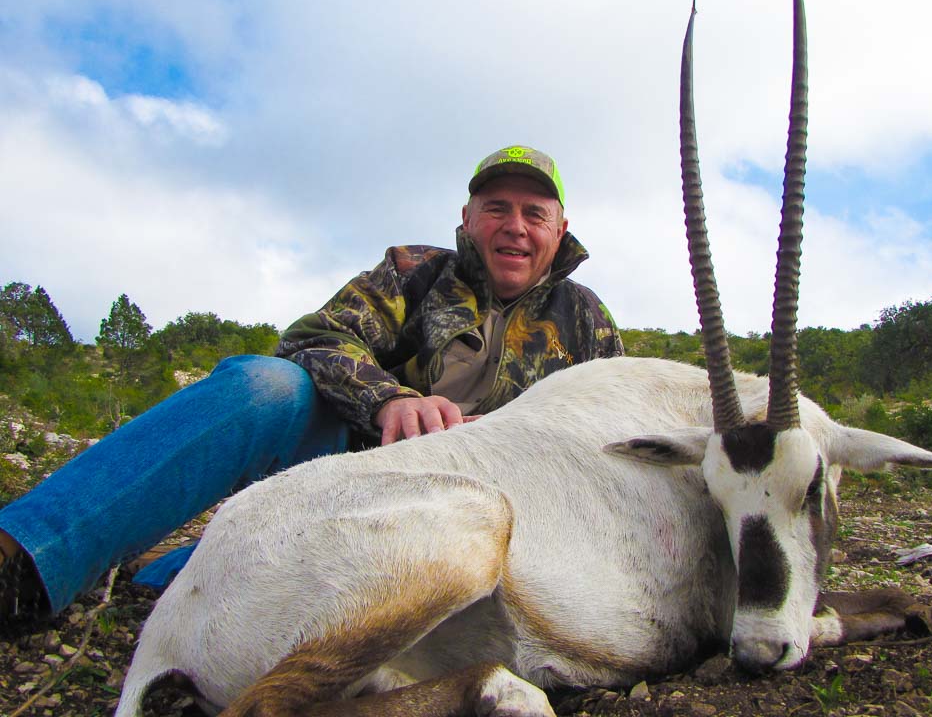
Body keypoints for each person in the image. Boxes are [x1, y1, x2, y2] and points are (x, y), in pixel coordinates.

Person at [0, 145, 623, 633]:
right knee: (264, 384)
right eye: (497, 208)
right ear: (467, 218)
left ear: (560, 228)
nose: (515, 226)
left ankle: (162, 579)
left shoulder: (588, 321)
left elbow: (608, 440)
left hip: (469, 526)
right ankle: (29, 556)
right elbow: (315, 339)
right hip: (350, 467)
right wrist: (390, 399)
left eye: (534, 213)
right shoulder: (414, 270)